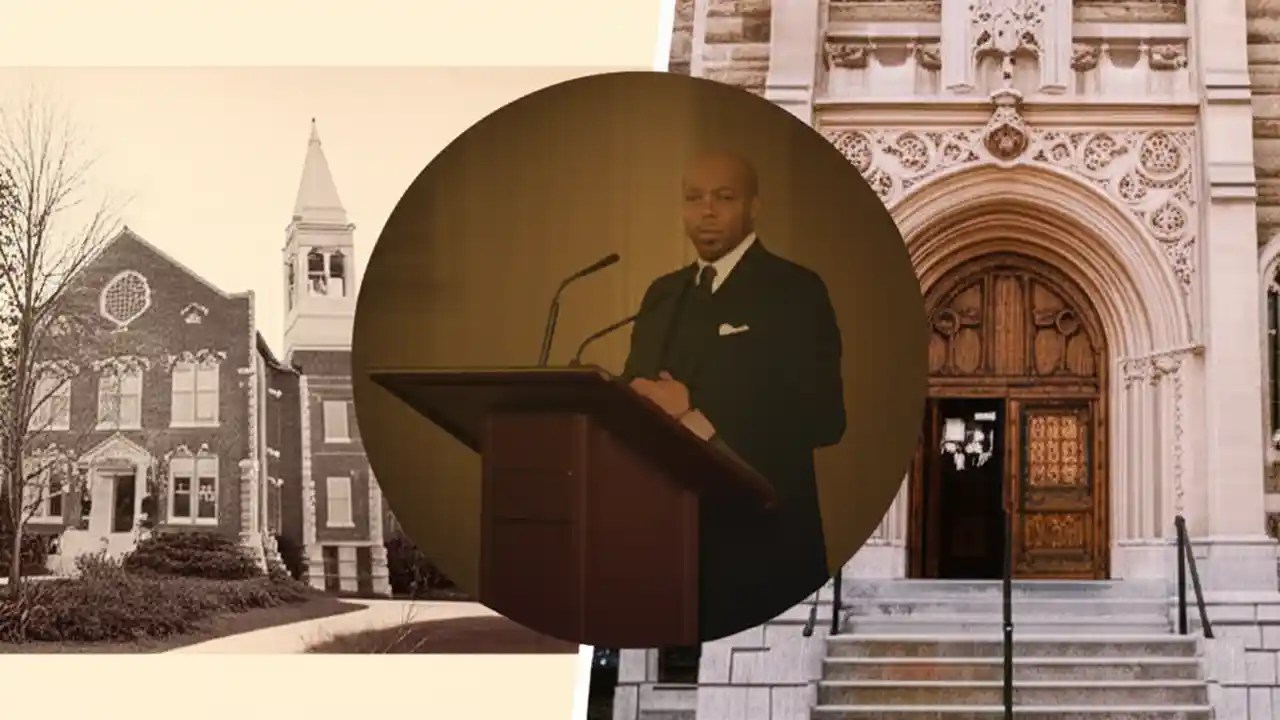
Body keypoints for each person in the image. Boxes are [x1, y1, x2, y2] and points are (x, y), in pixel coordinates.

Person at [621, 150, 847, 641]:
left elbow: (825, 418)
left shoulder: (794, 290)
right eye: (693, 198)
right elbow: (635, 396)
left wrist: (696, 416)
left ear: (753, 206)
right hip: (670, 534)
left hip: (764, 537)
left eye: (723, 198)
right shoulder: (663, 295)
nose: (706, 211)